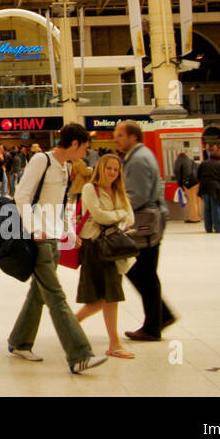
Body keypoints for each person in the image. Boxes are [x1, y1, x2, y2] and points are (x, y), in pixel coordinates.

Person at [6, 123, 106, 374]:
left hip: (53, 239)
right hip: (39, 240)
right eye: (84, 147)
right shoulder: (42, 160)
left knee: (38, 294)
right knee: (56, 297)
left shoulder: (65, 166)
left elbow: (59, 206)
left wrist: (69, 233)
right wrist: (33, 229)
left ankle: (19, 341)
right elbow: (22, 196)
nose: (85, 153)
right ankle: (79, 354)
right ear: (74, 144)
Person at [114, 120, 177, 342]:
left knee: (141, 272)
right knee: (145, 272)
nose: (116, 139)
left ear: (133, 137)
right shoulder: (141, 155)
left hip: (147, 223)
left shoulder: (138, 160)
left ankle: (154, 325)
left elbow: (136, 196)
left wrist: (115, 207)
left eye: (120, 135)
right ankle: (161, 317)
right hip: (152, 221)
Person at [74, 153, 135, 360]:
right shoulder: (91, 189)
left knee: (112, 296)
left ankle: (113, 342)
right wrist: (119, 215)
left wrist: (117, 216)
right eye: (109, 168)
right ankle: (71, 324)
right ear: (101, 168)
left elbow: (131, 218)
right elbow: (99, 215)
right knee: (102, 296)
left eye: (116, 169)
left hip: (113, 249)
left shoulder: (119, 191)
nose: (112, 172)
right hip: (95, 246)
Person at [196, 141, 220, 234]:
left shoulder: (203, 164)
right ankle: (218, 228)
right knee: (215, 207)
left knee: (207, 208)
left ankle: (208, 228)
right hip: (215, 187)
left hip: (204, 187)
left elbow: (198, 176)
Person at [174, 142, 200, 224]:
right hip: (197, 181)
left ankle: (194, 218)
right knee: (197, 199)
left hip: (188, 182)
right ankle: (198, 216)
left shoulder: (179, 161)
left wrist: (179, 184)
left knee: (192, 200)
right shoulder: (190, 160)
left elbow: (177, 172)